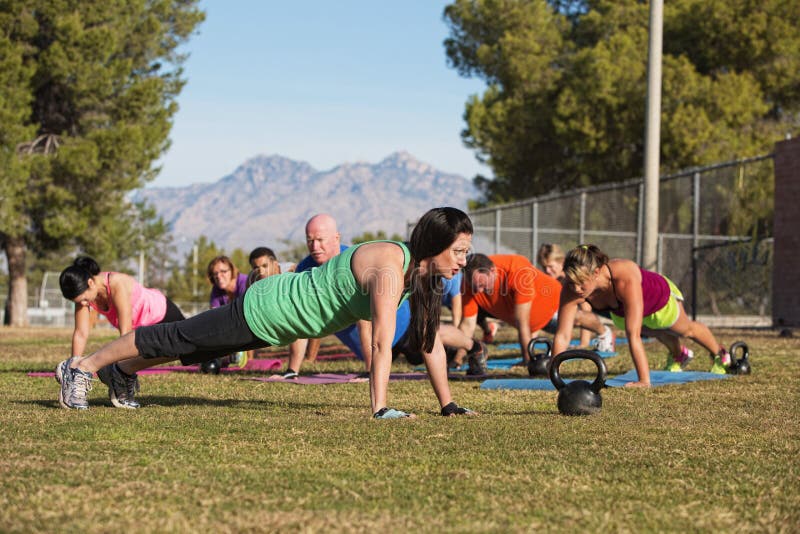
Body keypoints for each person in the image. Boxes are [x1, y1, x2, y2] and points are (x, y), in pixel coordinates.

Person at [56, 207, 477, 419]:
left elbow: (429, 343)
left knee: (193, 349)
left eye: (466, 252)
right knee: (179, 336)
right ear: (435, 243)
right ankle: (82, 367)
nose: (462, 260)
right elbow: (382, 342)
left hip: (276, 324)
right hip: (269, 306)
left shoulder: (419, 278)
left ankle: (122, 370)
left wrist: (449, 405)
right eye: (458, 251)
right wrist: (381, 409)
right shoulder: (390, 266)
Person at [282, 214, 485, 378]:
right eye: (310, 240)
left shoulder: (352, 261)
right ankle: (455, 352)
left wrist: (371, 369)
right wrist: (292, 371)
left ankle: (474, 346)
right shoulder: (304, 269)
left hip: (399, 328)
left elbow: (366, 322)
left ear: (336, 238)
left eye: (320, 240)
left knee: (432, 336)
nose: (315, 246)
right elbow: (302, 319)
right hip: (378, 346)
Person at [553, 244, 732, 388]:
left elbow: (633, 335)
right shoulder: (571, 288)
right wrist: (554, 374)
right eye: (572, 282)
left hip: (659, 299)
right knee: (656, 332)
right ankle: (679, 355)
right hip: (623, 309)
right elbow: (562, 334)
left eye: (581, 283)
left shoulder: (624, 277)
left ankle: (721, 354)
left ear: (596, 272)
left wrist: (644, 381)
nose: (576, 289)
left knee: (684, 330)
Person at [58, 257, 186, 409]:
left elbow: (125, 334)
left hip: (161, 314)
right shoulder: (84, 294)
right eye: (79, 302)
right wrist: (74, 367)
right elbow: (80, 333)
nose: (84, 304)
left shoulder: (116, 283)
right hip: (141, 328)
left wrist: (124, 370)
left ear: (91, 283)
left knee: (188, 350)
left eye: (84, 299)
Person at [537, 243, 615, 349]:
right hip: (567, 315)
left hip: (599, 309)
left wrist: (584, 343)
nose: (547, 271)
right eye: (544, 267)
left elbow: (586, 309)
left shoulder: (573, 278)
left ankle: (604, 333)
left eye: (550, 266)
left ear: (561, 262)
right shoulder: (551, 280)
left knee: (576, 316)